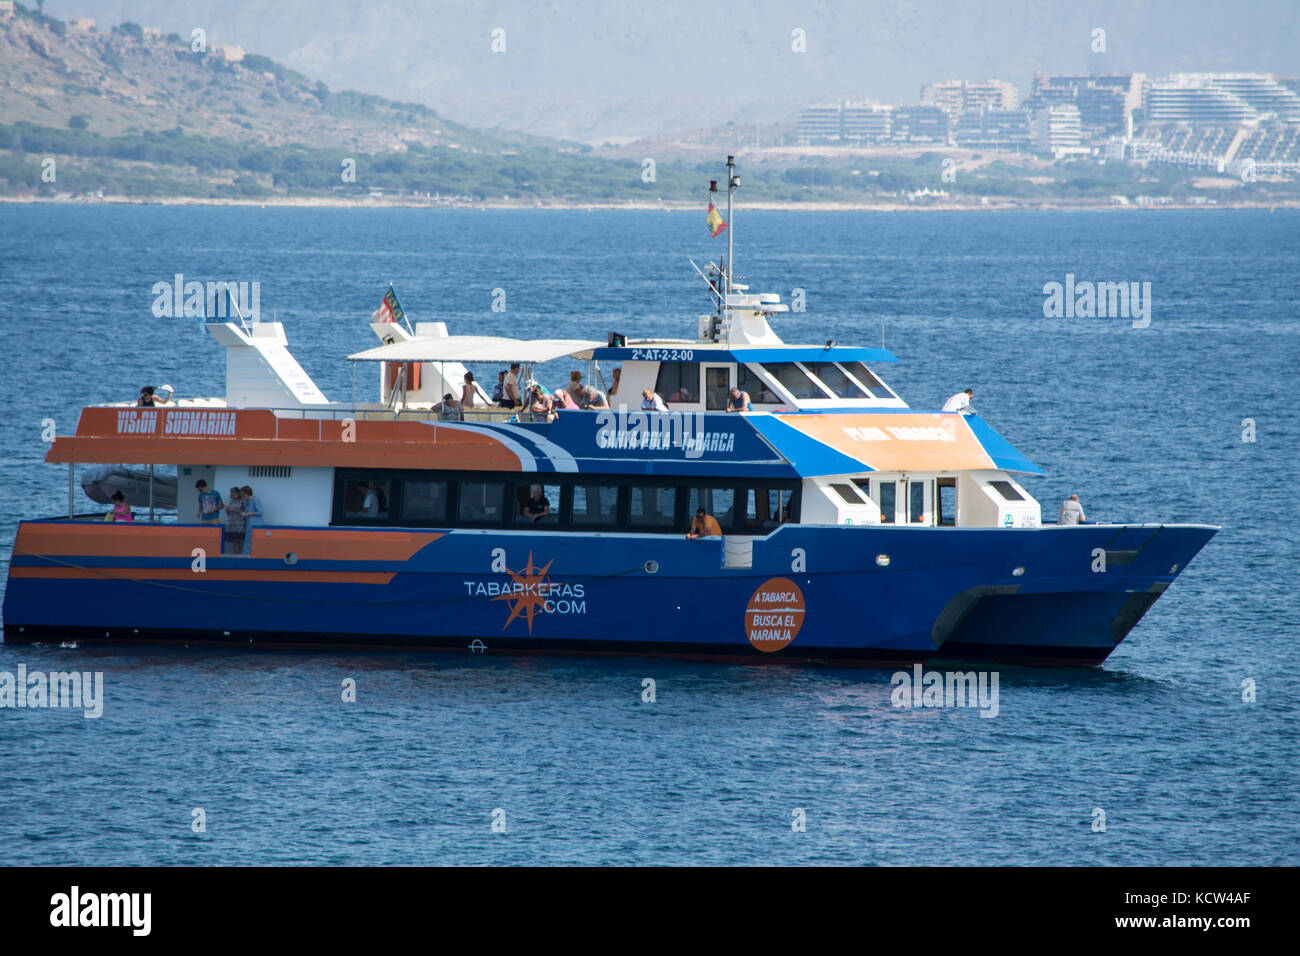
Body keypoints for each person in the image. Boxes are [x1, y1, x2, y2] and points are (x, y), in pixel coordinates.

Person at [240, 485, 263, 556]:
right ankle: (246, 554)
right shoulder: (246, 501)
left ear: (246, 493)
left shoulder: (255, 500)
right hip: (249, 523)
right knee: (247, 540)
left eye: (243, 494)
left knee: (254, 541)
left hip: (256, 524)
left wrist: (249, 514)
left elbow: (260, 512)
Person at [222, 487, 245, 554]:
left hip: (239, 524)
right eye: (231, 493)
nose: (232, 494)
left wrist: (235, 510)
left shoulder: (242, 502)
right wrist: (227, 510)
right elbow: (229, 514)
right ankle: (234, 555)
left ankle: (239, 556)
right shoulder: (231, 501)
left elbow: (244, 512)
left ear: (237, 493)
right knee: (234, 542)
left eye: (233, 492)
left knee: (239, 542)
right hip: (231, 524)